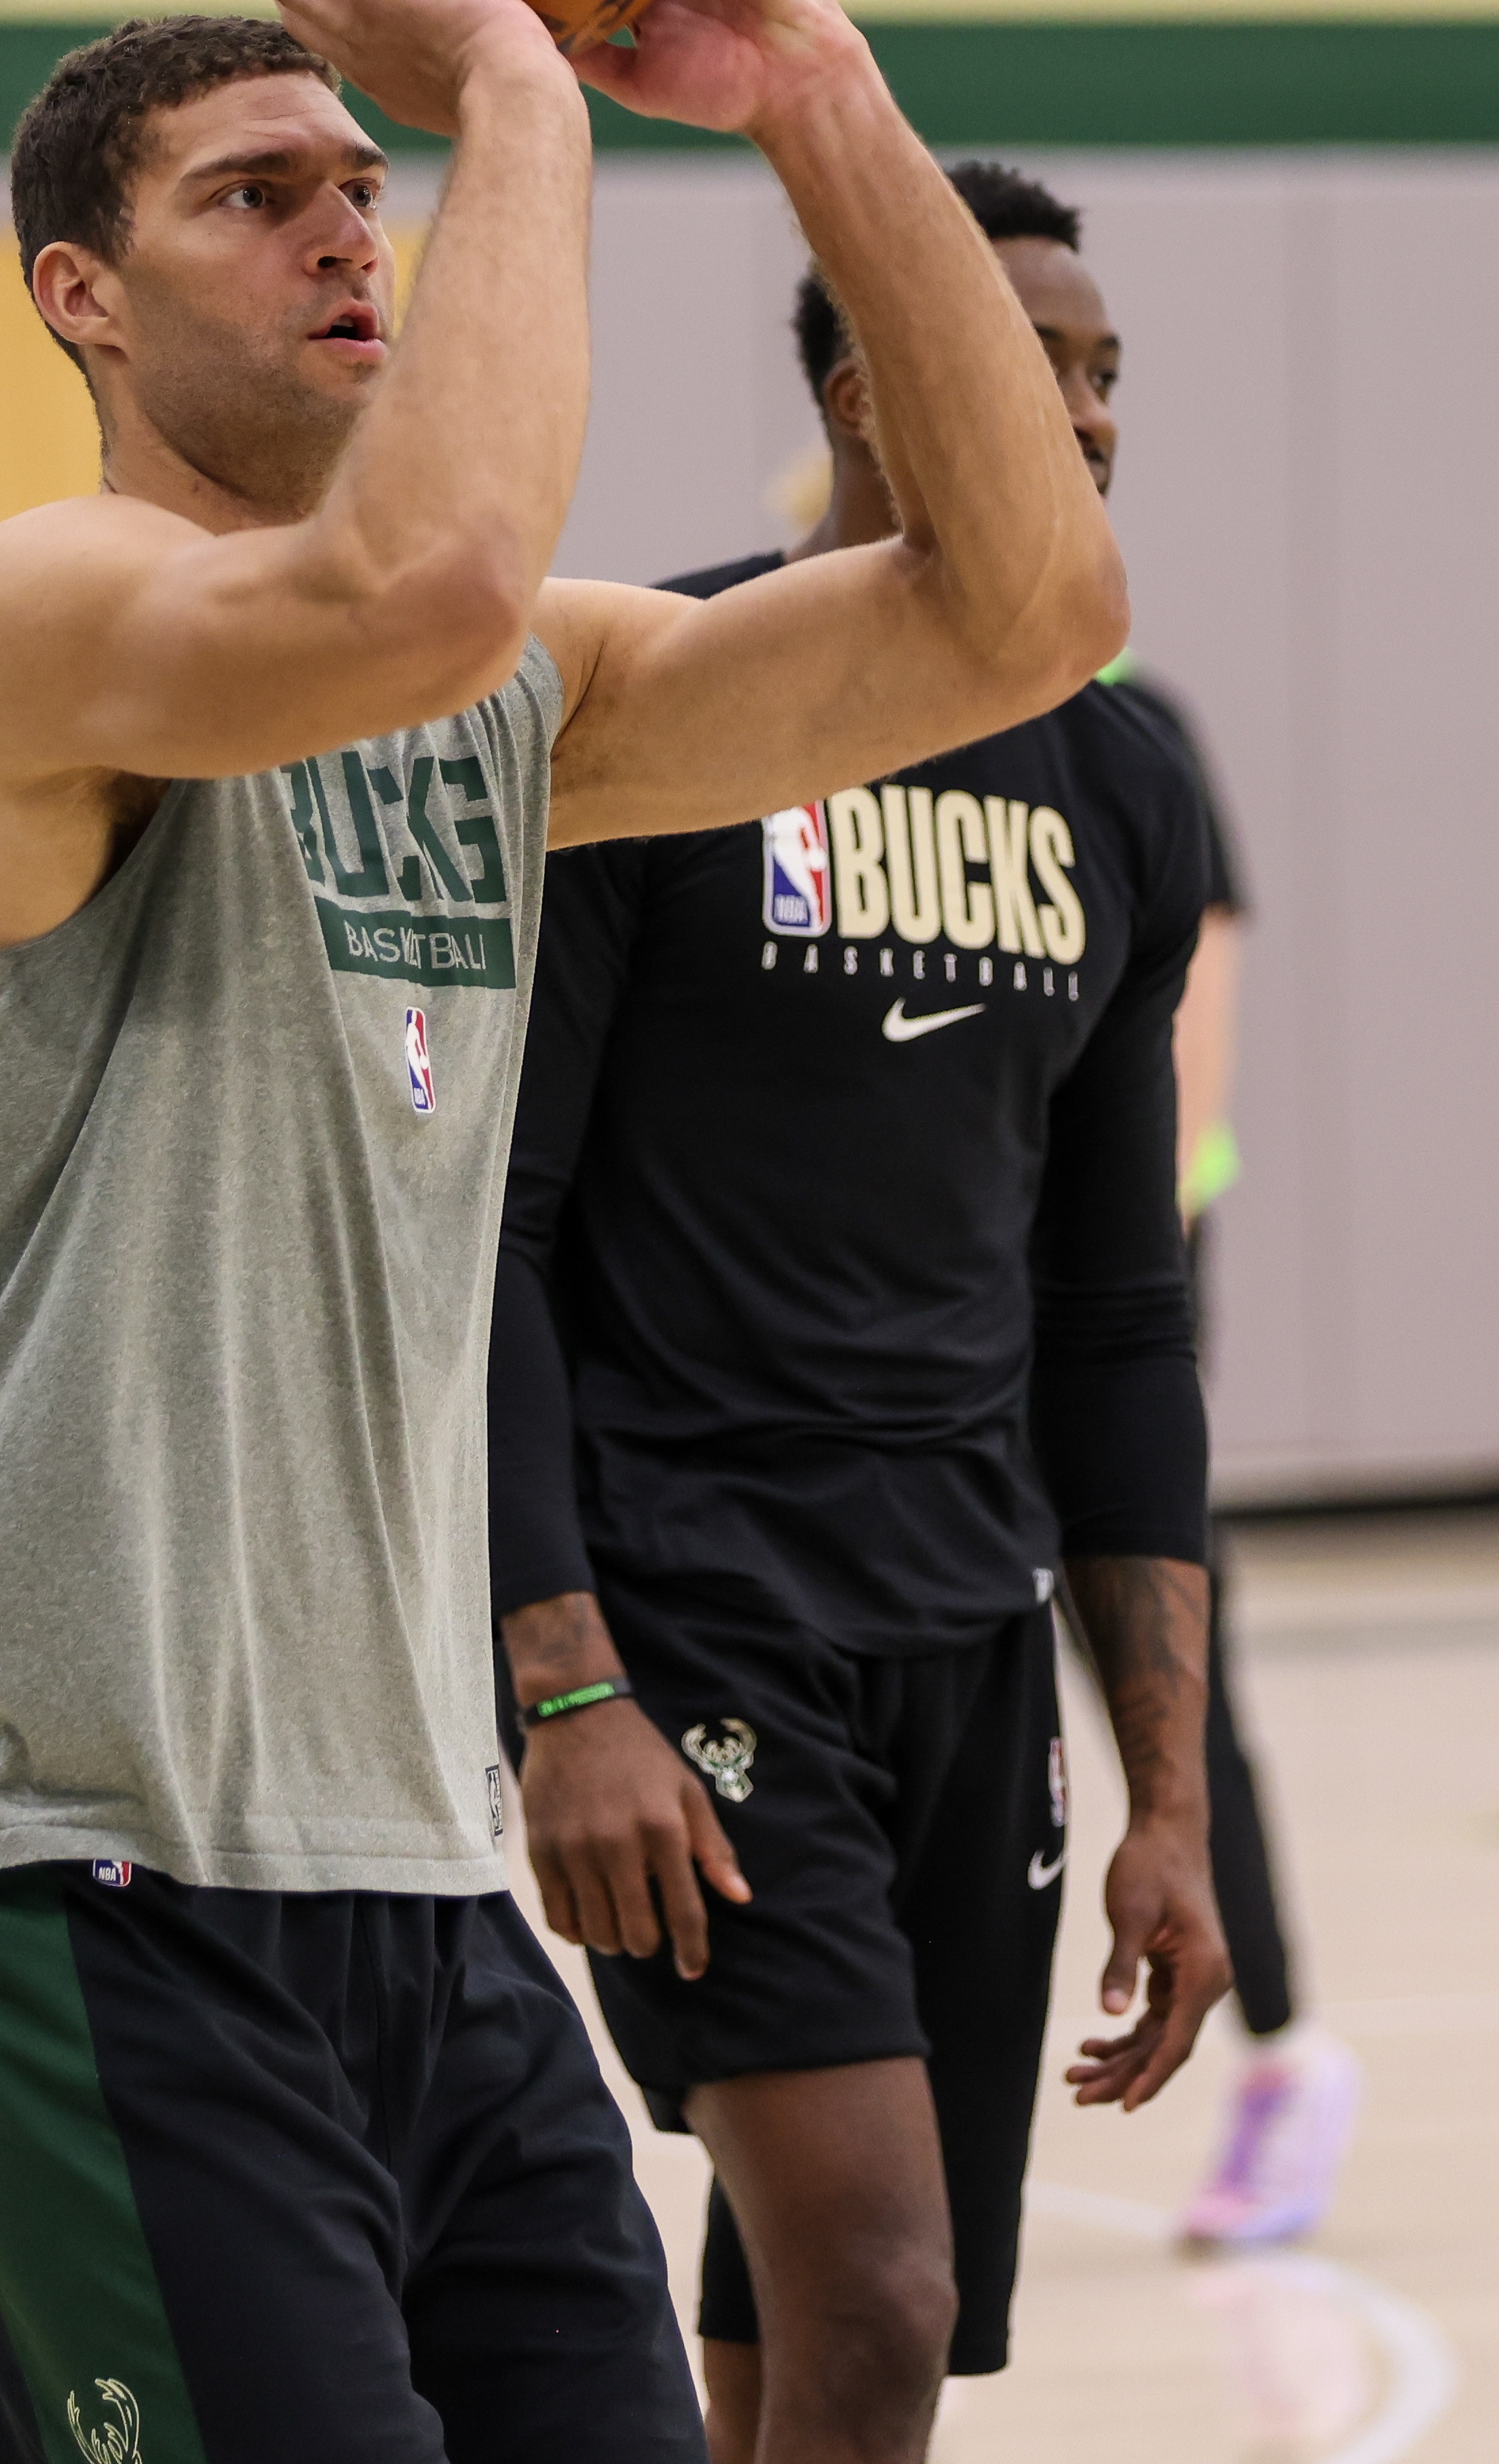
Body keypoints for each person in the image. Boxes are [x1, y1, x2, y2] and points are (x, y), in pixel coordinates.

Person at [0, 0, 1126, 2464]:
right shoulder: (38, 616)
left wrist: (803, 87)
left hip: (417, 1893)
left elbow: (1023, 620)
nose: (341, 226)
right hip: (76, 1868)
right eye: (254, 195)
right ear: (76, 295)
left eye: (358, 179)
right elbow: (406, 585)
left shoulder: (520, 701)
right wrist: (518, 86)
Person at [489, 160, 1234, 2463]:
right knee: (877, 2289)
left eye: (1108, 377)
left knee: (802, 2311)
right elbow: (489, 1236)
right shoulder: (658, 705)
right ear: (861, 392)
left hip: (960, 1628)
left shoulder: (1124, 779)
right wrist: (562, 1674)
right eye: (1033, 368)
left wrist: (1171, 1793)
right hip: (693, 1613)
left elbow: (1115, 1312)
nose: (1088, 421)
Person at [1090, 647, 1364, 2249]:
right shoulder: (872, 687)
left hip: (1112, 1277)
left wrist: (1142, 1241)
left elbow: (1199, 996)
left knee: (1171, 1668)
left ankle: (1286, 2060)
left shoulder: (1131, 725)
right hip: (936, 1296)